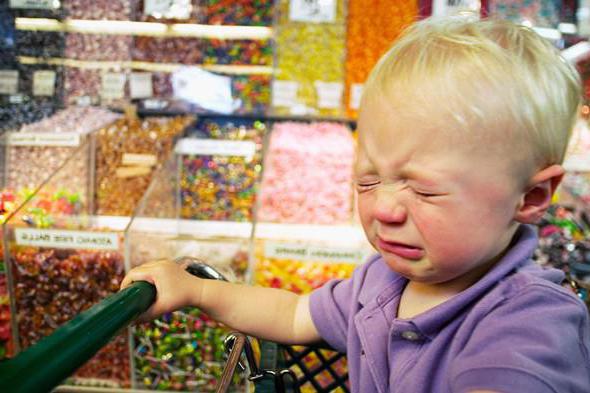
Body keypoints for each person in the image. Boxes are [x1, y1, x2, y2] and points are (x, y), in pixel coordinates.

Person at [121, 16, 590, 392]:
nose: (385, 209)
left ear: (529, 197)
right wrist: (198, 292)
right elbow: (292, 314)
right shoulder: (382, 282)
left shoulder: (527, 325)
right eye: (367, 182)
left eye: (424, 191)